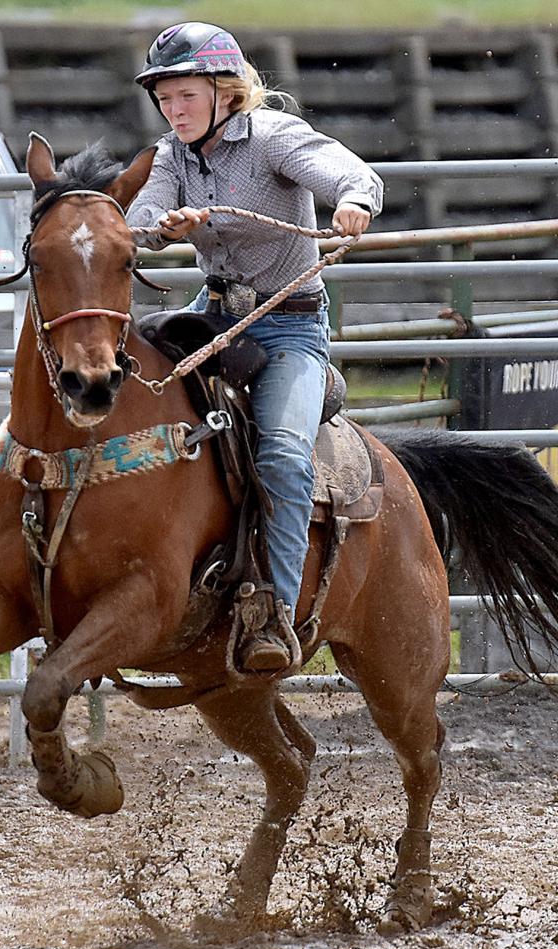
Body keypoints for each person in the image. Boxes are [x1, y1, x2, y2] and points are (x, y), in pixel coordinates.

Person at [127, 22, 383, 673]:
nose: (173, 110)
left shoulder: (272, 136)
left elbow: (345, 171)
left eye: (185, 95)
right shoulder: (170, 156)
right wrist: (162, 224)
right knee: (133, 390)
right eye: (165, 98)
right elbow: (137, 223)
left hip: (288, 324)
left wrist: (355, 200)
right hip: (212, 317)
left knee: (283, 456)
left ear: (224, 91)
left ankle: (271, 609)